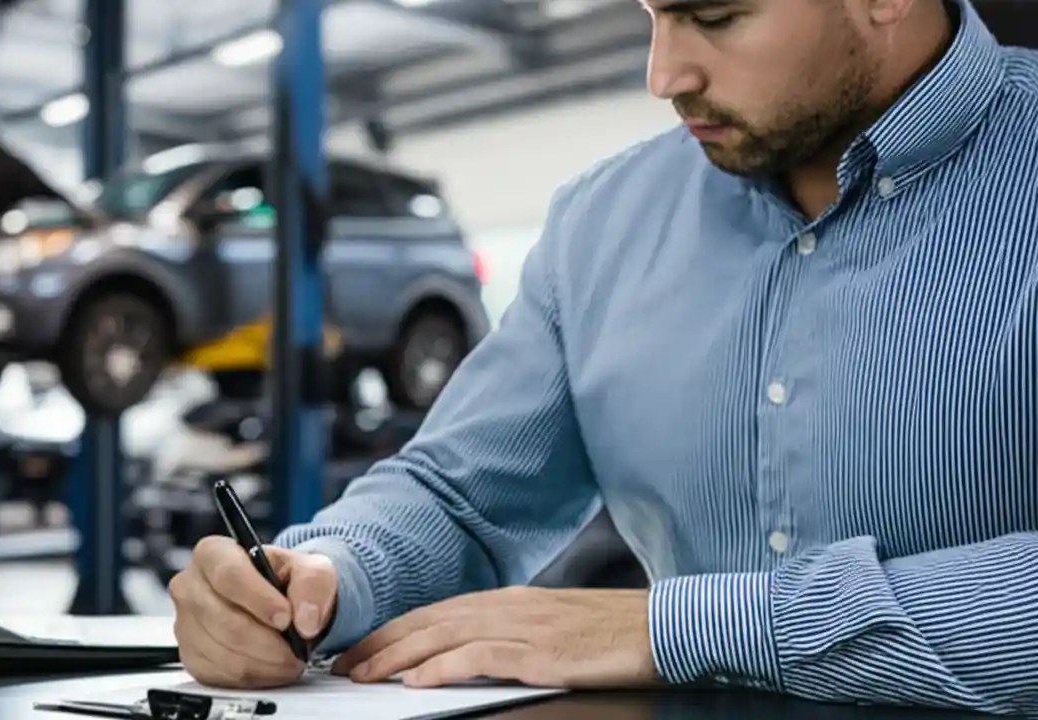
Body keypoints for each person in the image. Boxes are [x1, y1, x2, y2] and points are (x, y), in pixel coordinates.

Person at [169, 0, 1038, 713]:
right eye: (653, 16)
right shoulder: (602, 221)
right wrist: (327, 574)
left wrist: (689, 628)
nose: (664, 76)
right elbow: (462, 496)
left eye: (717, 17)